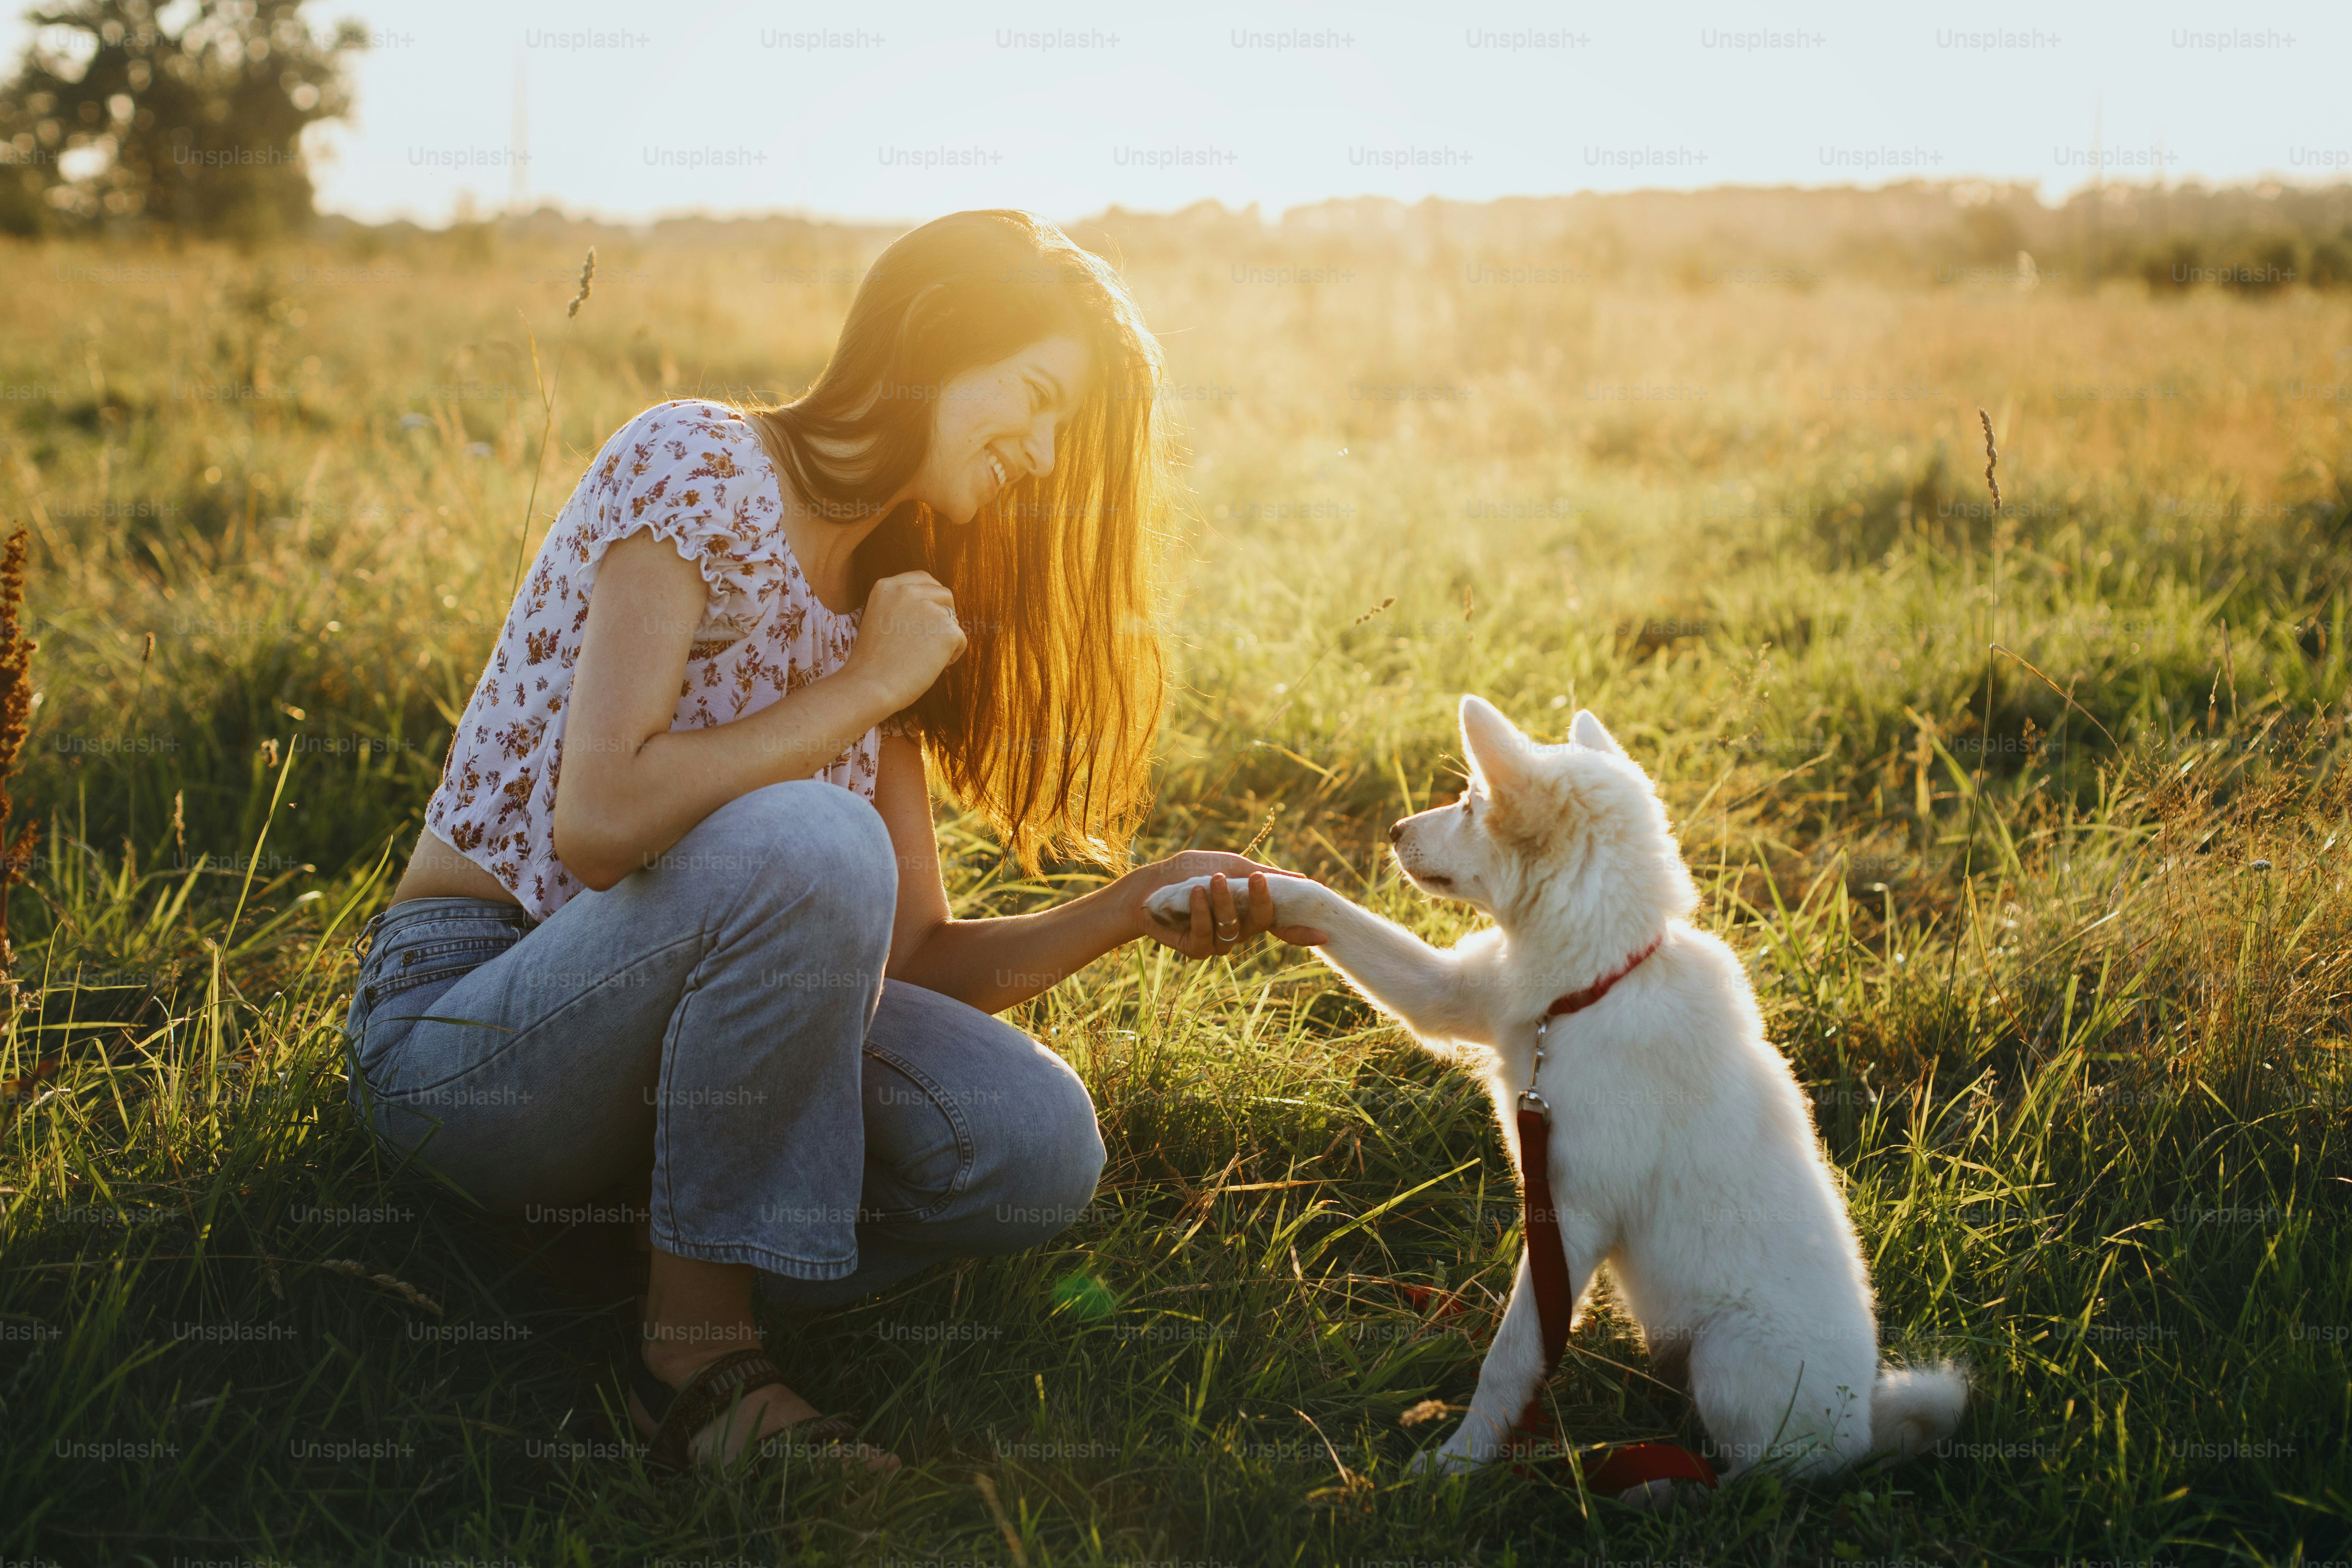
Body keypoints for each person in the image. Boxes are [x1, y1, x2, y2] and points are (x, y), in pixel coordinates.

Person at [341, 210, 1311, 1471]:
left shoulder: (897, 593)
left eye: (1069, 430)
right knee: (813, 834)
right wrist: (856, 692)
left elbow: (901, 957)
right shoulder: (697, 462)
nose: (1045, 450)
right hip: (472, 1029)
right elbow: (602, 820)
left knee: (1035, 1142)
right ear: (929, 337)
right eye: (1034, 395)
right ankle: (693, 1363)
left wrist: (1131, 904)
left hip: (669, 1054)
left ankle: (634, 1249)